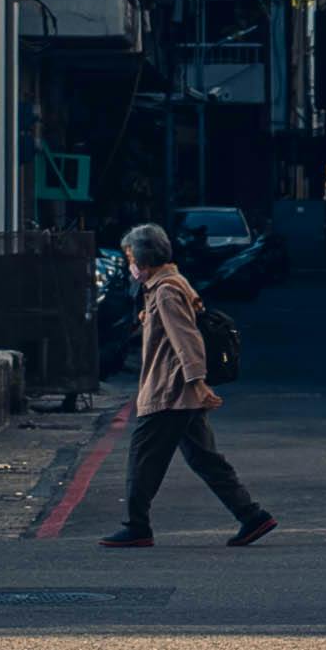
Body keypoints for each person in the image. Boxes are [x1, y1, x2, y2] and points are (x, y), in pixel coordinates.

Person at [101, 220, 276, 550]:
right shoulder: (166, 285)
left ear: (143, 257)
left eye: (129, 257)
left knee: (142, 458)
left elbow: (187, 341)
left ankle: (137, 526)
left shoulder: (166, 291)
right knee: (205, 458)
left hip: (169, 392)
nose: (128, 264)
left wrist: (198, 383)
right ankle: (252, 516)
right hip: (182, 394)